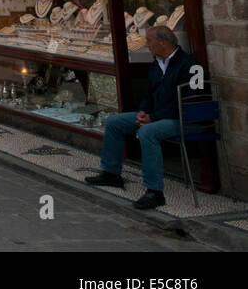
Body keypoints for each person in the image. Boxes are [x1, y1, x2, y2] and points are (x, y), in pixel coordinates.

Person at [86, 26, 201, 209]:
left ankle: (154, 191)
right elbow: (149, 94)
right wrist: (143, 112)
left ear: (163, 42)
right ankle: (111, 173)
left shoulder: (191, 65)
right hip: (158, 116)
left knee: (148, 132)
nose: (146, 45)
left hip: (185, 119)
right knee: (115, 122)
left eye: (149, 41)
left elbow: (190, 101)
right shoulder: (156, 65)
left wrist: (153, 117)